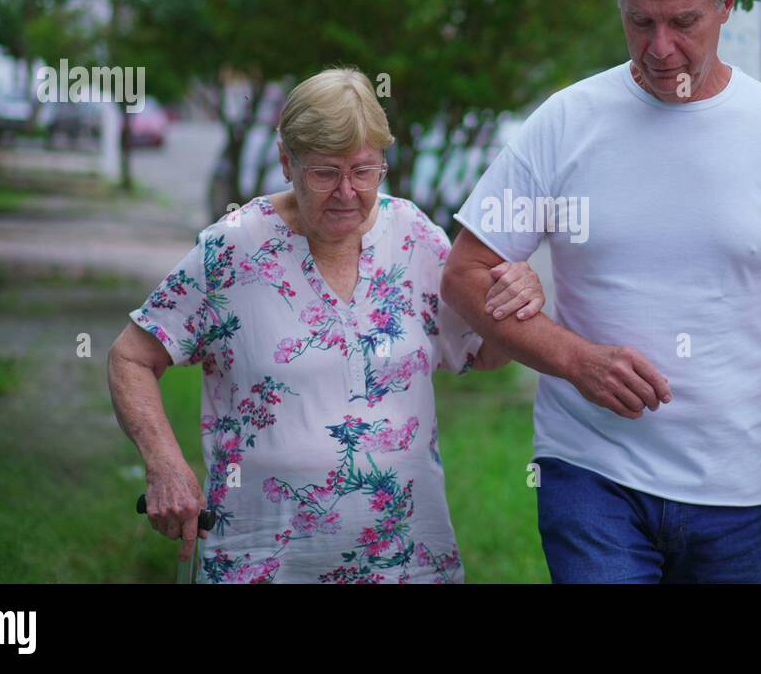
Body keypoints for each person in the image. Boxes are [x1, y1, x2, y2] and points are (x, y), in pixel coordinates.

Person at [442, 0, 761, 584]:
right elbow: (465, 272)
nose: (659, 47)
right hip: (591, 475)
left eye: (683, 22)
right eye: (639, 21)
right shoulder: (564, 123)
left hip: (737, 490)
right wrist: (574, 358)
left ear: (729, 2)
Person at [108, 67, 545, 583]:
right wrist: (164, 464)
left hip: (405, 561)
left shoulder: (412, 237)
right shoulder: (234, 250)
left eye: (364, 171)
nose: (347, 192)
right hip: (262, 562)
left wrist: (515, 301)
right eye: (325, 172)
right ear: (286, 160)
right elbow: (131, 357)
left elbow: (481, 353)